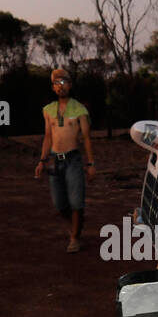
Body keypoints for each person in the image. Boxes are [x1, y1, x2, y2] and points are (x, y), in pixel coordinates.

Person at [34, 68, 94, 252]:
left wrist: (91, 163)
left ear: (70, 85)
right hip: (54, 160)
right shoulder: (48, 110)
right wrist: (42, 161)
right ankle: (74, 229)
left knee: (76, 201)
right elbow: (48, 137)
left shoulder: (79, 110)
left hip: (73, 159)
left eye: (64, 82)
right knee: (59, 203)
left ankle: (75, 237)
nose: (60, 87)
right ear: (53, 88)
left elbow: (85, 138)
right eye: (56, 84)